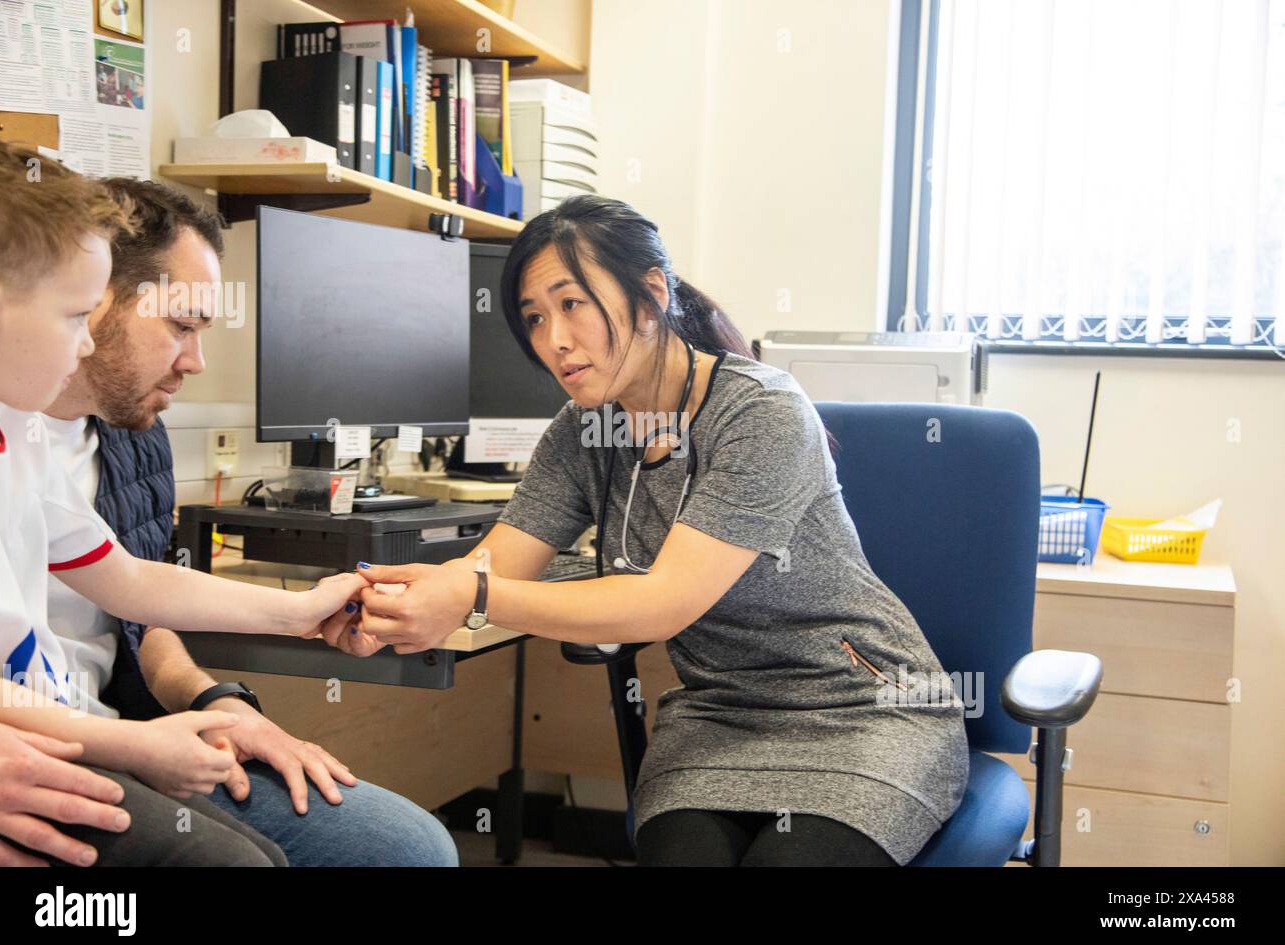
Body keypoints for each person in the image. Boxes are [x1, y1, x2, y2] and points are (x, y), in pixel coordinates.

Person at [324, 194, 971, 866]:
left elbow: (665, 601)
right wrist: (387, 602)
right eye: (534, 318)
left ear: (650, 296)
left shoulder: (761, 412)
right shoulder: (581, 434)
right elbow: (494, 566)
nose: (553, 340)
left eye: (571, 304)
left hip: (864, 712)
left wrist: (472, 598)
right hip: (721, 718)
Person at [39, 175, 457, 867]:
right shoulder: (9, 441)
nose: (196, 364)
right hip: (47, 747)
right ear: (97, 297)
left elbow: (134, 594)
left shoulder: (133, 433)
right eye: (181, 326)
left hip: (124, 732)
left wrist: (221, 700)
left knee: (405, 850)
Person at [0, 135, 356, 865]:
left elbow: (127, 580)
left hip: (75, 732)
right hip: (47, 743)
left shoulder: (20, 437)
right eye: (73, 319)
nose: (83, 345)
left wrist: (299, 613)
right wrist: (133, 742)